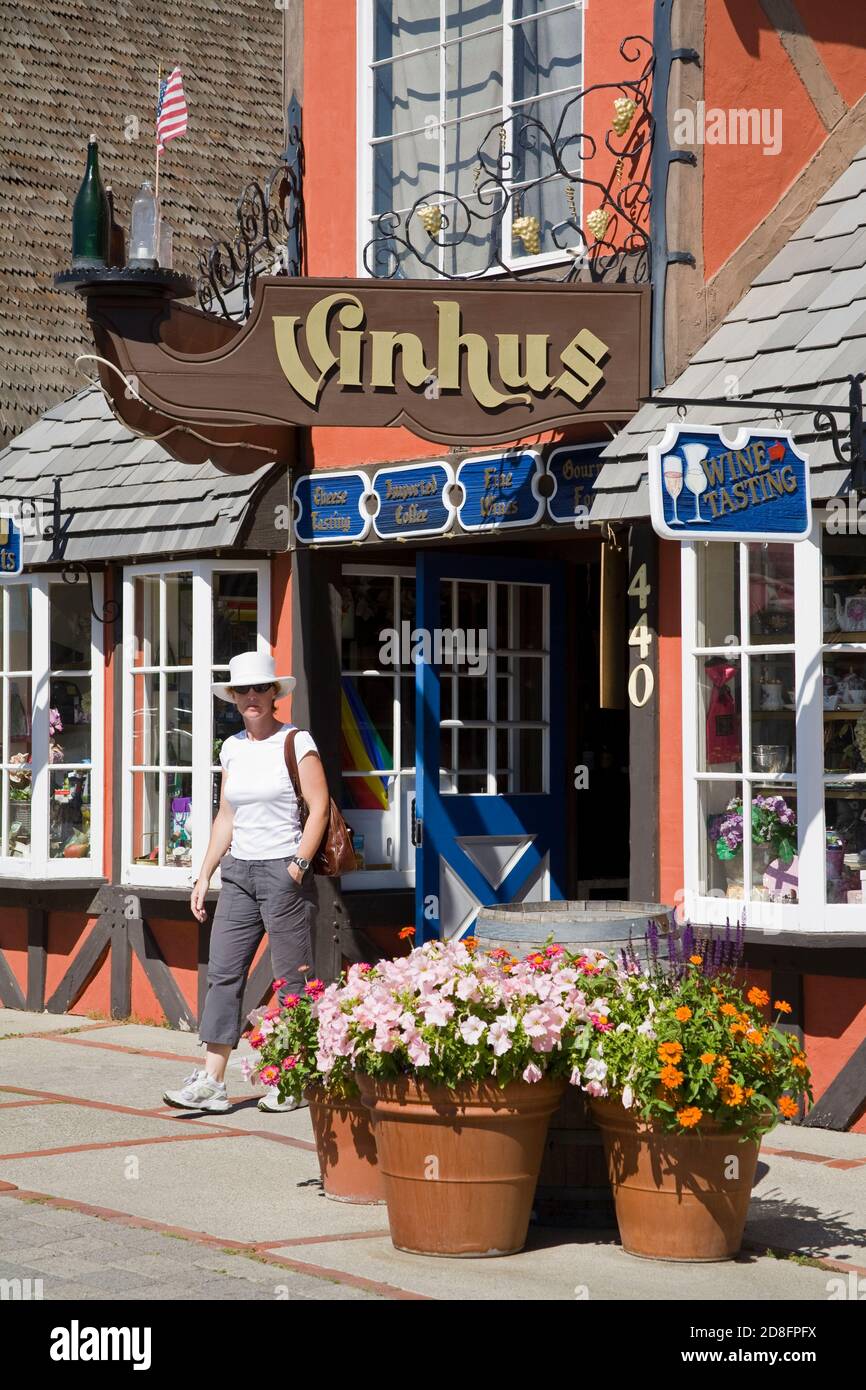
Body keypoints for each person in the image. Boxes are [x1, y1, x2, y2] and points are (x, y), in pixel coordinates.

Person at [163, 651, 329, 1114]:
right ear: (233, 698)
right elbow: (226, 814)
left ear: (275, 693)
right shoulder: (231, 746)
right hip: (238, 872)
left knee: (291, 978)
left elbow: (319, 807)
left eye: (260, 688)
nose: (252, 697)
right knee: (223, 973)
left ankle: (293, 1075)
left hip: (283, 869)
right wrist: (205, 874)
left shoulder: (296, 743)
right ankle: (212, 1081)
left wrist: (298, 863)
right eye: (243, 691)